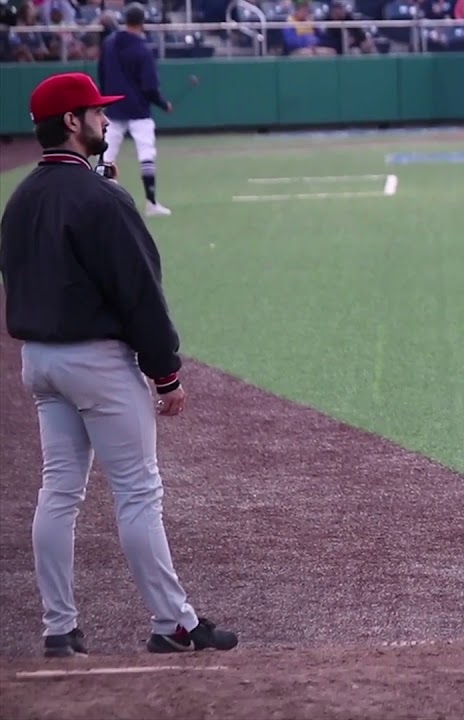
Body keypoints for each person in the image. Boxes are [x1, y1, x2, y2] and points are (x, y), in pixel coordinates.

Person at [0, 72, 239, 658]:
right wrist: (166, 373)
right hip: (96, 363)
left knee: (58, 492)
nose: (107, 120)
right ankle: (173, 623)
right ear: (73, 123)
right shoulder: (102, 197)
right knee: (137, 494)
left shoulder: (21, 196)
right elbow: (140, 295)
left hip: (40, 362)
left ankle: (60, 628)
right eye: (96, 112)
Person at [97, 2, 173, 217]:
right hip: (138, 109)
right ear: (142, 22)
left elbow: (101, 73)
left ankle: (99, 203)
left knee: (105, 155)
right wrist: (163, 103)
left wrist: (104, 100)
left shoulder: (109, 44)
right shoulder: (142, 49)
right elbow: (149, 86)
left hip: (113, 106)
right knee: (146, 154)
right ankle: (151, 202)